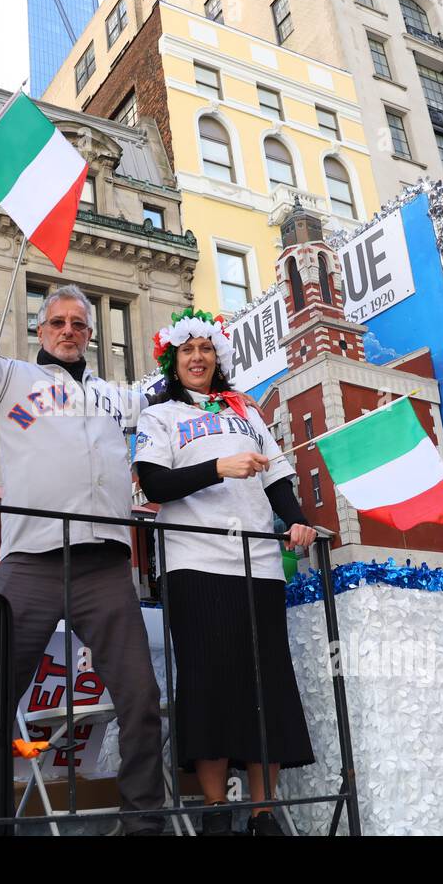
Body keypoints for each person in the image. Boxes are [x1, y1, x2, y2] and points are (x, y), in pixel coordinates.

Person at [0, 220, 166, 834]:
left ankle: (144, 823)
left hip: (105, 566)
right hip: (32, 562)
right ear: (40, 330)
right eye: (57, 323)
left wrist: (204, 355)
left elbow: (176, 388)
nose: (69, 331)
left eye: (78, 325)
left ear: (90, 336)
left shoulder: (115, 395)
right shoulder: (9, 377)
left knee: (141, 701)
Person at [134, 312, 316, 836]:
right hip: (194, 561)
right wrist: (219, 467)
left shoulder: (248, 414)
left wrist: (299, 520)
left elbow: (279, 477)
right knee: (207, 682)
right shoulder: (159, 416)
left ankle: (264, 813)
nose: (197, 358)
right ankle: (215, 812)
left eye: (205, 350)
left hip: (257, 564)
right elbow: (154, 486)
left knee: (267, 682)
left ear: (218, 358)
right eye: (186, 351)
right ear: (173, 360)